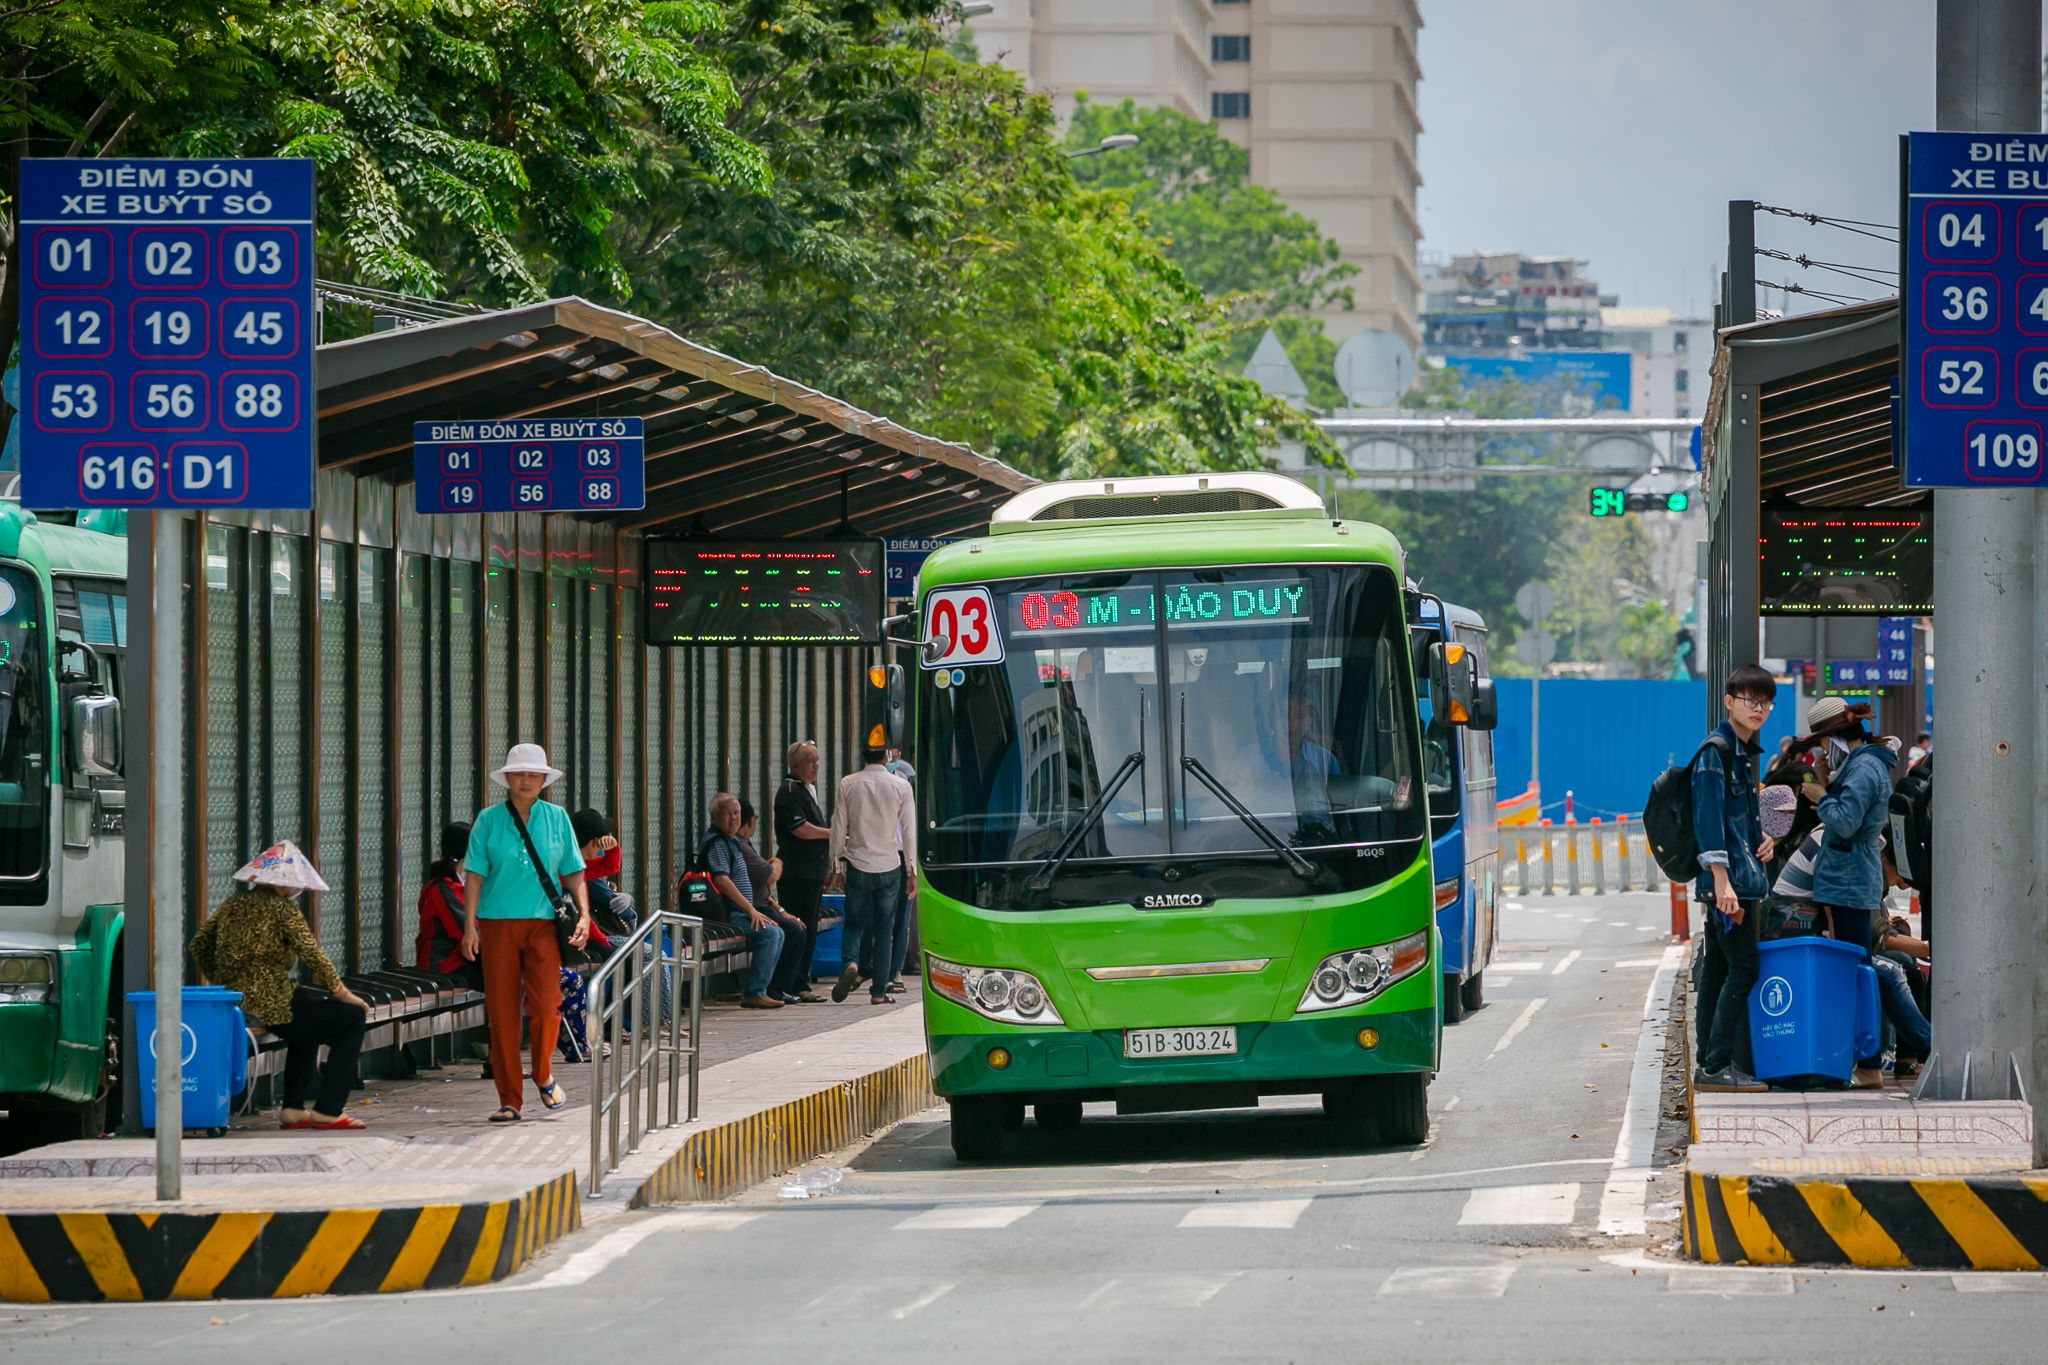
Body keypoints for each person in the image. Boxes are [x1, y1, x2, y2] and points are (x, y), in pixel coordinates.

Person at [190, 841, 370, 1131]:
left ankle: (294, 1108)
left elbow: (198, 944)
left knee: (305, 1013)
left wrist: (224, 982)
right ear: (284, 885)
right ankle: (328, 1110)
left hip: (238, 1001)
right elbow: (313, 954)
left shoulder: (232, 904)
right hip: (274, 1005)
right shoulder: (281, 910)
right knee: (351, 1019)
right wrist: (343, 994)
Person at [461, 743, 591, 1122]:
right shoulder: (487, 820)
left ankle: (543, 1072)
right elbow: (474, 874)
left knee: (546, 1004)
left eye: (534, 775)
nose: (527, 780)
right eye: (520, 774)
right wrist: (470, 925)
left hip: (543, 925)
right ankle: (509, 1099)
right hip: (497, 923)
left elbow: (573, 871)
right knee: (501, 1012)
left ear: (544, 780)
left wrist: (584, 913)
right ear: (508, 779)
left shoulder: (557, 818)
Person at [1796, 697, 1898, 1090]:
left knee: (1856, 968)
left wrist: (1820, 794)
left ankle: (1869, 1060)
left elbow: (1845, 821)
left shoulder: (1863, 770)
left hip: (1850, 882)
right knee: (1858, 967)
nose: (1822, 752)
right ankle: (1866, 1056)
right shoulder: (1862, 766)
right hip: (1848, 880)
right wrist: (1828, 778)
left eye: (1823, 745)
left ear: (1836, 739)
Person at [1691, 665, 1778, 1094]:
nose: (1759, 709)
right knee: (1743, 968)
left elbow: (1734, 820)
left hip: (1740, 880)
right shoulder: (1717, 751)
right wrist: (1721, 882)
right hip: (1729, 887)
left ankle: (1708, 1061)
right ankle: (1717, 1063)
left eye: (1765, 702)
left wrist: (1762, 840)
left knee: (1720, 969)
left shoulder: (1743, 752)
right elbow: (1707, 821)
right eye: (1750, 700)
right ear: (1730, 702)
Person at [827, 736, 916, 1005]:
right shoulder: (901, 785)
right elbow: (909, 832)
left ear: (863, 756)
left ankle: (851, 963)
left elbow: (838, 827)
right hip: (889, 866)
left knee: (854, 924)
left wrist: (835, 865)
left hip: (857, 864)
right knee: (884, 930)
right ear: (887, 756)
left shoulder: (848, 783)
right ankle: (879, 991)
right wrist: (912, 871)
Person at [702, 792, 791, 1010]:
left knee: (777, 931)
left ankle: (760, 989)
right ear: (714, 818)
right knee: (770, 935)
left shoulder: (732, 841)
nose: (734, 818)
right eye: (727, 814)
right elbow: (722, 880)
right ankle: (754, 992)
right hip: (728, 914)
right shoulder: (718, 844)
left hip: (740, 911)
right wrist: (750, 910)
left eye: (736, 813)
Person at [739, 798, 819, 1002]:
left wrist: (782, 910)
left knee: (796, 926)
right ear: (749, 822)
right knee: (786, 931)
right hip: (751, 908)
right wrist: (777, 861)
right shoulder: (740, 846)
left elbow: (764, 886)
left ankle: (782, 986)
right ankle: (773, 988)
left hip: (762, 905)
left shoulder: (745, 844)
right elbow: (770, 875)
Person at [774, 741, 833, 995]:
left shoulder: (807, 789)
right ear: (795, 764)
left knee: (809, 924)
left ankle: (800, 980)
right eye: (811, 761)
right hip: (798, 872)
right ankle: (794, 982)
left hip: (813, 871)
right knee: (801, 925)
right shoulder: (789, 791)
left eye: (817, 760)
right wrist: (833, 833)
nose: (816, 766)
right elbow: (801, 829)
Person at [416, 821, 484, 991]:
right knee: (505, 978)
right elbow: (465, 931)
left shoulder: (456, 884)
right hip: (443, 968)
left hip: (460, 963)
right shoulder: (442, 889)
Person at [573, 808, 635, 942]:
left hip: (586, 934)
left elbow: (610, 867)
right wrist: (604, 943)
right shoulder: (570, 868)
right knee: (649, 953)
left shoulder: (580, 865)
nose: (602, 848)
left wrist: (613, 848)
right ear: (594, 841)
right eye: (602, 838)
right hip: (581, 937)